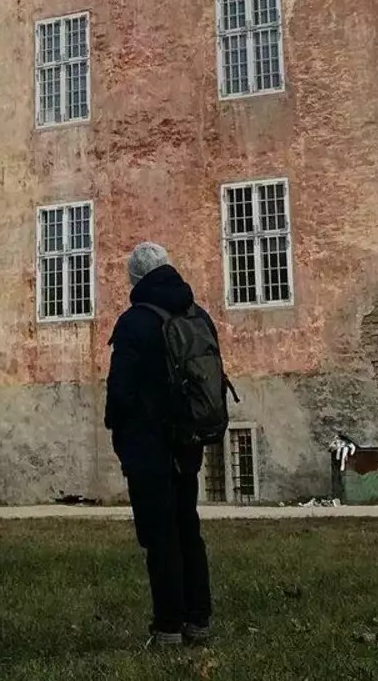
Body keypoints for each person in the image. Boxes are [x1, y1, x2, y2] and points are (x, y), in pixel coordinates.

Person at [104, 242, 219, 649]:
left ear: (135, 279)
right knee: (188, 528)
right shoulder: (197, 314)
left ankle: (168, 626)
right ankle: (198, 620)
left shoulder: (134, 323)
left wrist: (119, 430)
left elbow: (119, 392)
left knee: (159, 536)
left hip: (148, 447)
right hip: (186, 443)